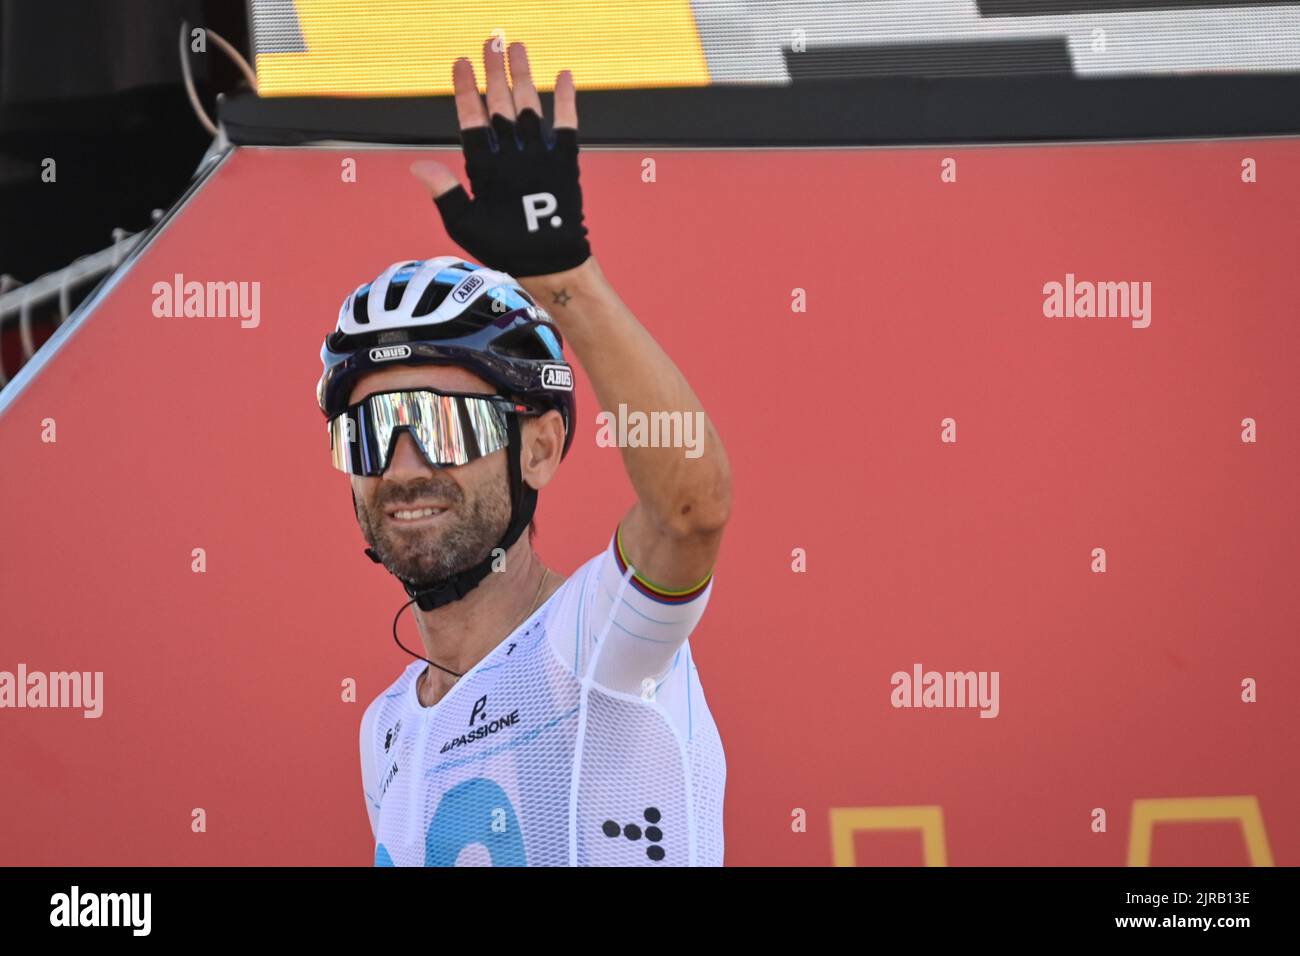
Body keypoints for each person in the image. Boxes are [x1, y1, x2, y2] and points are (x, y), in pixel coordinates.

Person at [316, 39, 732, 866]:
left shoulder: (595, 641)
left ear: (538, 447)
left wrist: (565, 282)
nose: (403, 467)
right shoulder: (388, 727)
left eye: (442, 424)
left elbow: (691, 512)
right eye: (370, 431)